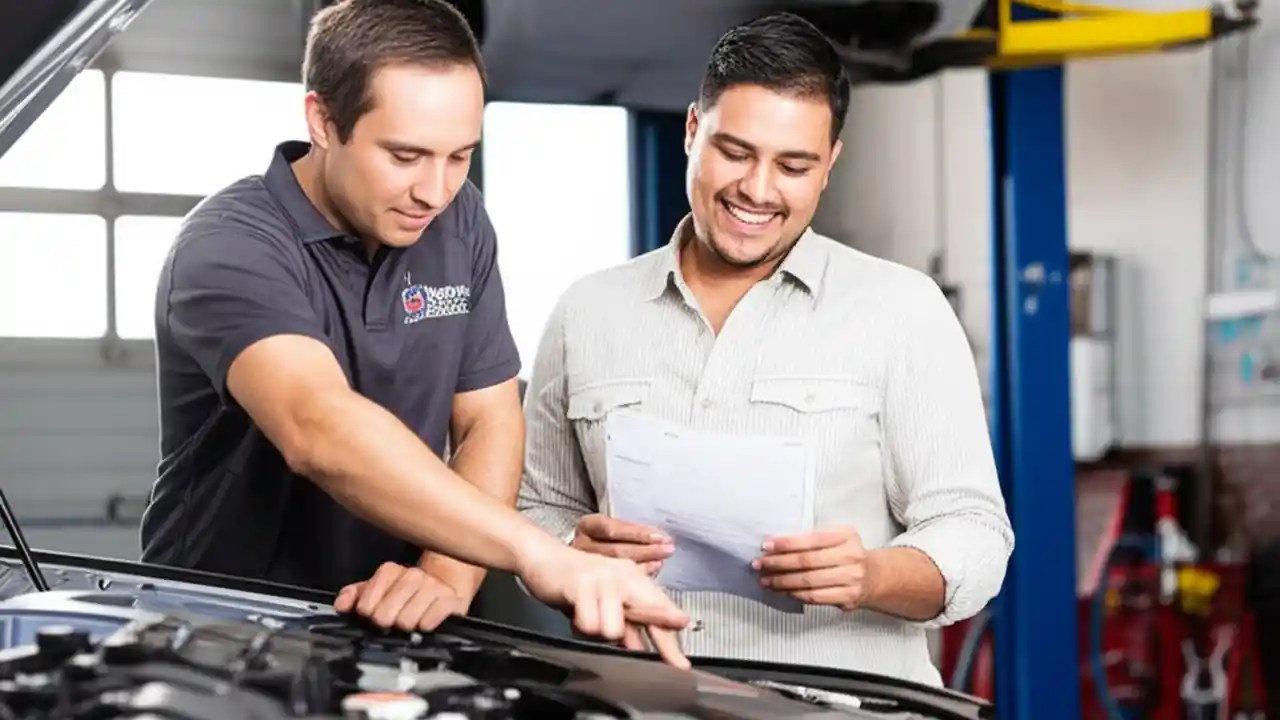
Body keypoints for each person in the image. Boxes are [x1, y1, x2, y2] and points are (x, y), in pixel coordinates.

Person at [138, 0, 689, 668]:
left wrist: (444, 577)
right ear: (322, 120)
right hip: (216, 637)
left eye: (460, 156)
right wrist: (540, 554)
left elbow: (488, 418)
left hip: (386, 628)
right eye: (405, 155)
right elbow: (318, 428)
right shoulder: (230, 245)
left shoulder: (458, 221)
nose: (434, 190)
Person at [515, 12, 1014, 685]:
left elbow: (975, 535)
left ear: (830, 163)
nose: (757, 189)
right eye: (736, 151)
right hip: (641, 702)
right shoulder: (588, 312)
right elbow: (532, 509)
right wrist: (571, 550)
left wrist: (870, 574)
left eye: (793, 165)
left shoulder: (901, 310)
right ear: (693, 129)